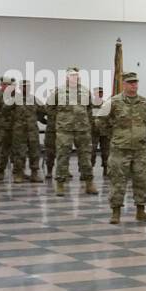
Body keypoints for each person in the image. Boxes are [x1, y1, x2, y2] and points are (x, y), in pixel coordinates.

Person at [101, 71, 146, 224]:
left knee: (142, 180)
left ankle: (141, 211)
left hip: (140, 149)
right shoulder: (113, 102)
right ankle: (116, 212)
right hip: (120, 148)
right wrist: (114, 135)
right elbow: (100, 121)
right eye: (130, 82)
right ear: (124, 84)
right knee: (118, 181)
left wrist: (140, 134)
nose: (134, 85)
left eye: (135, 82)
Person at [53, 67, 96, 196]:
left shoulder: (85, 91)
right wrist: (61, 120)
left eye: (76, 76)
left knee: (86, 157)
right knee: (62, 156)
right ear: (67, 78)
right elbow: (50, 108)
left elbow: (89, 109)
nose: (74, 78)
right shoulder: (58, 92)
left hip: (82, 130)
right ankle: (60, 184)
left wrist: (85, 122)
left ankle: (89, 183)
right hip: (64, 130)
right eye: (72, 76)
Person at [8, 80, 43, 183]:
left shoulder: (34, 99)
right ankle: (19, 174)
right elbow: (5, 112)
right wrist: (14, 122)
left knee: (35, 153)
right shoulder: (14, 99)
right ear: (20, 88)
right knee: (19, 153)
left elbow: (43, 110)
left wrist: (37, 119)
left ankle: (34, 174)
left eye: (27, 86)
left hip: (32, 131)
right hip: (19, 132)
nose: (25, 88)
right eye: (23, 87)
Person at [0, 77, 16, 182]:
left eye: (8, 85)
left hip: (16, 128)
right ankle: (0, 172)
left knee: (18, 152)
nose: (6, 86)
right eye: (4, 84)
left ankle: (18, 172)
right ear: (1, 85)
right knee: (2, 152)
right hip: (1, 129)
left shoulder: (16, 96)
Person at [90, 86, 109, 171]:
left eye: (101, 92)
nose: (100, 94)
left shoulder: (106, 105)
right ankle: (90, 170)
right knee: (91, 152)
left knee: (106, 152)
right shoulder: (90, 106)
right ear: (94, 94)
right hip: (93, 132)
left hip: (104, 132)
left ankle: (106, 168)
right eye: (98, 92)